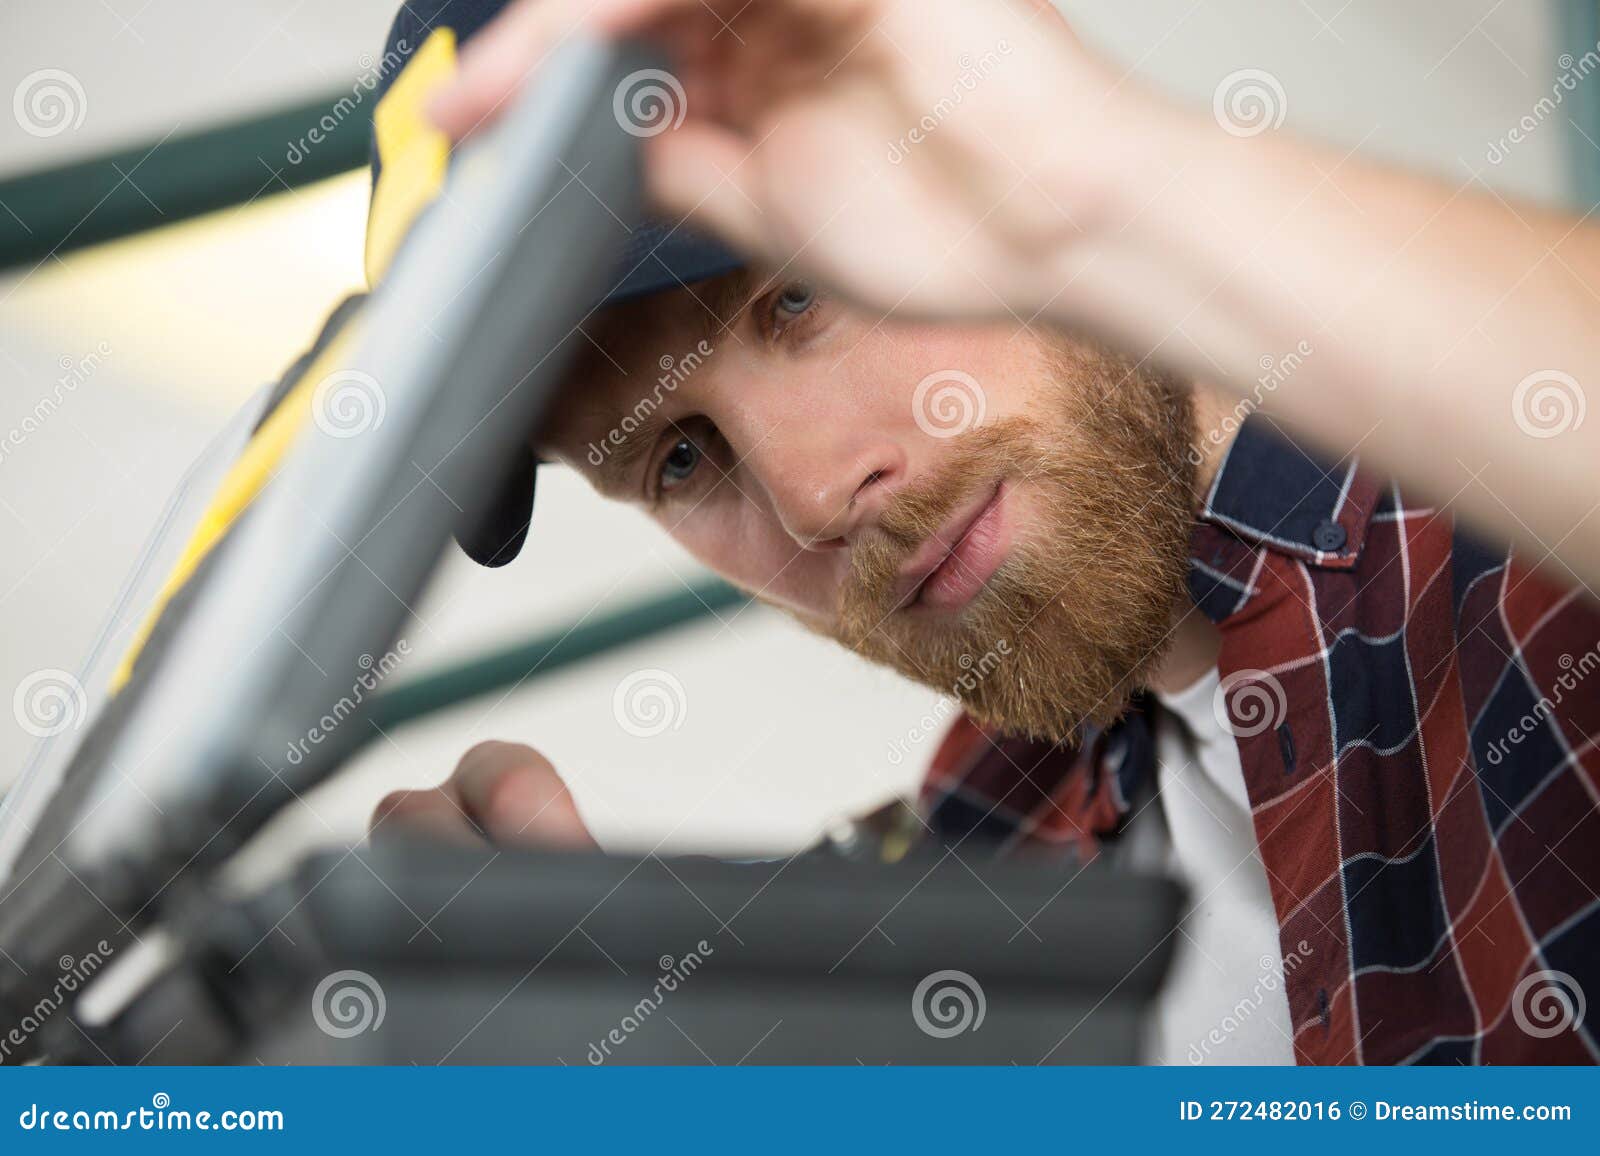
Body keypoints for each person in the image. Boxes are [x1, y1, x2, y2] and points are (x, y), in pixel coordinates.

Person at [364, 0, 1600, 1064]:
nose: (808, 495)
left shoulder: (1529, 583)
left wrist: (1094, 185)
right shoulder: (986, 836)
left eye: (797, 290)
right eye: (678, 456)